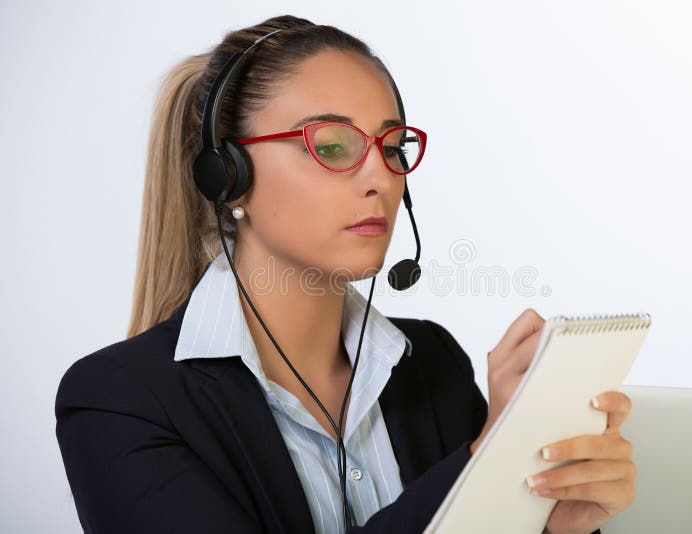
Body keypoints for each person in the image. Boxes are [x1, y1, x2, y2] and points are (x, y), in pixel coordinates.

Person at [54, 14, 636, 534]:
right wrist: (483, 465)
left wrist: (546, 521)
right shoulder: (117, 402)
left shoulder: (432, 364)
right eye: (331, 146)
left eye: (392, 147)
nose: (380, 178)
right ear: (227, 177)